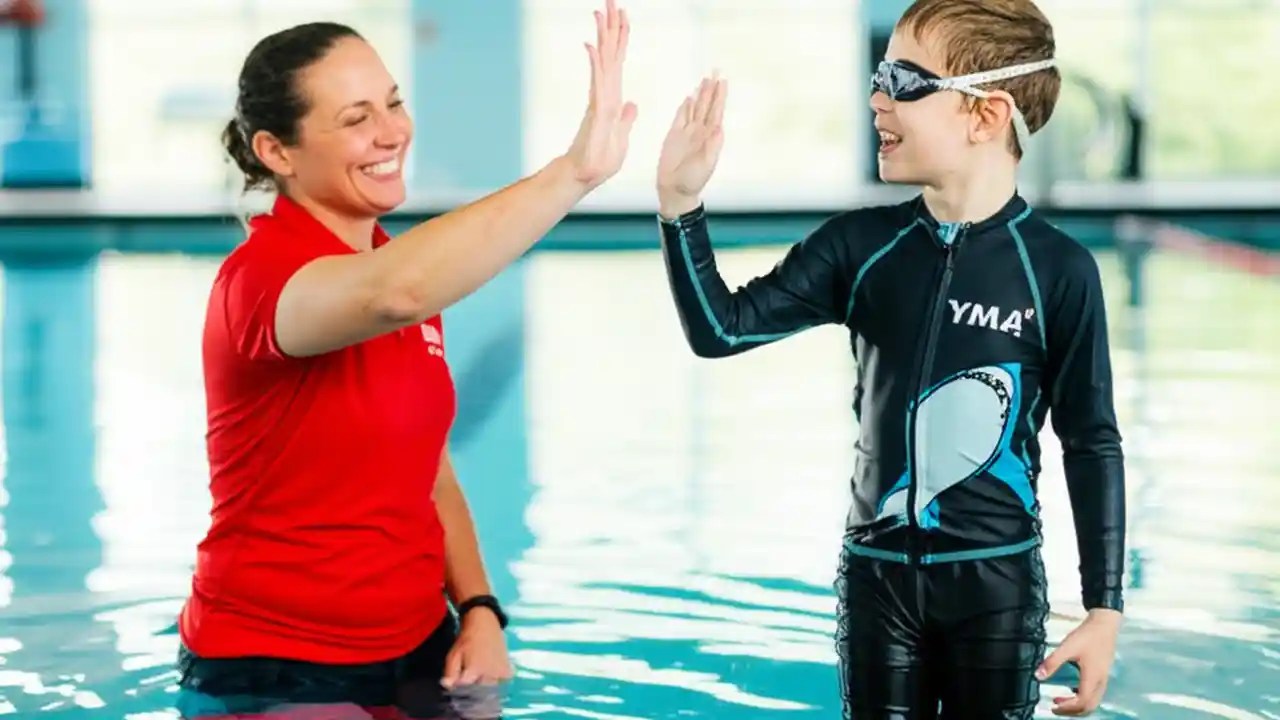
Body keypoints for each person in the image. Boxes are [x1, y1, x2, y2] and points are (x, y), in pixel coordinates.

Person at [653, 0, 1124, 718]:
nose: (877, 96)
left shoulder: (1056, 270)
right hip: (876, 582)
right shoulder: (861, 248)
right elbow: (722, 329)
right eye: (879, 73)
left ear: (985, 115)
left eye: (905, 80)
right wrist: (679, 202)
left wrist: (1104, 609)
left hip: (994, 587)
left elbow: (1091, 439)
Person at [177, 2, 637, 717]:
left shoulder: (395, 260)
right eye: (356, 118)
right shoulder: (263, 281)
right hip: (277, 661)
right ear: (277, 152)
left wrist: (480, 608)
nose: (392, 132)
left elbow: (428, 464)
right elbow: (396, 295)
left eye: (393, 103)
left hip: (421, 645)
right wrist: (574, 173)